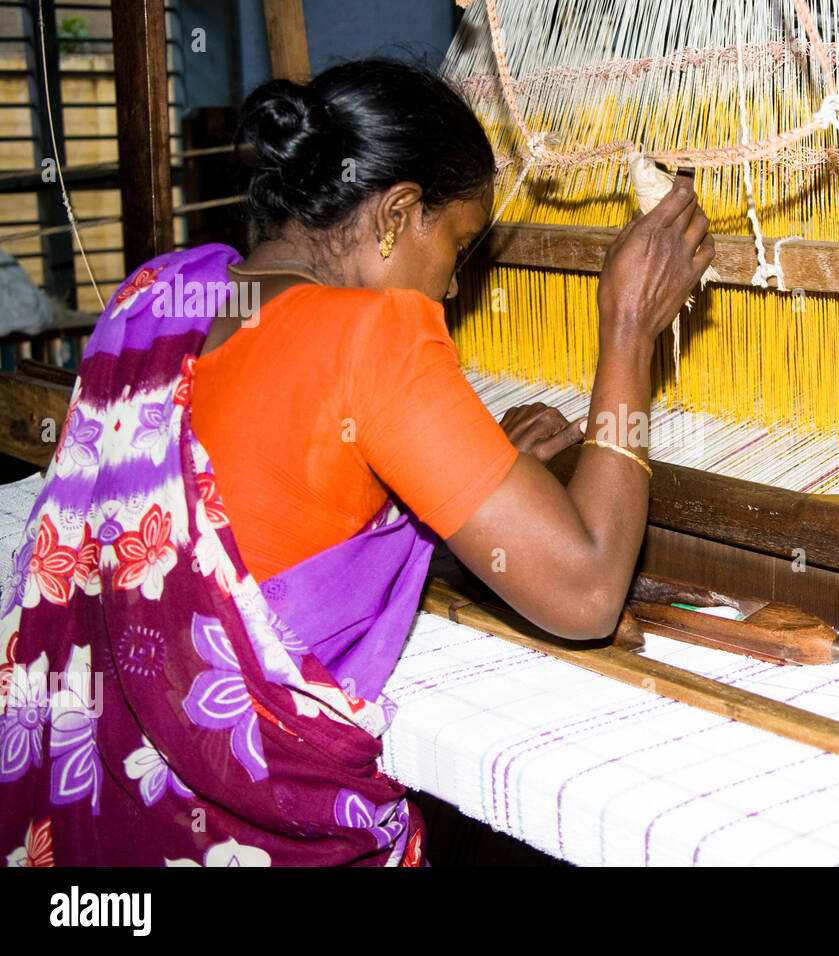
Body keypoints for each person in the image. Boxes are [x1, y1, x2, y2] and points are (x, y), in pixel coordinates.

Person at [0, 58, 713, 866]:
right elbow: (585, 590)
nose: (448, 288)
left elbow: (269, 481)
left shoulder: (161, 295)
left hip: (101, 824)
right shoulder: (375, 335)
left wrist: (458, 476)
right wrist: (628, 333)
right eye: (458, 244)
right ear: (397, 213)